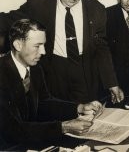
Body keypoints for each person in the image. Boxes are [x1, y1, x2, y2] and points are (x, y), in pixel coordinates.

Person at [0, 0, 124, 104]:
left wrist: (111, 82)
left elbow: (101, 48)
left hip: (83, 71)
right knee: (54, 114)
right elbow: (10, 19)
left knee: (85, 116)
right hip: (52, 71)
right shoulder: (39, 4)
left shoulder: (96, 9)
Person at [0, 19, 103, 149]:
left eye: (43, 45)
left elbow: (44, 103)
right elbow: (11, 130)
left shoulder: (35, 68)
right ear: (18, 45)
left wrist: (79, 108)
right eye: (37, 46)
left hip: (30, 138)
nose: (43, 52)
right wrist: (64, 127)